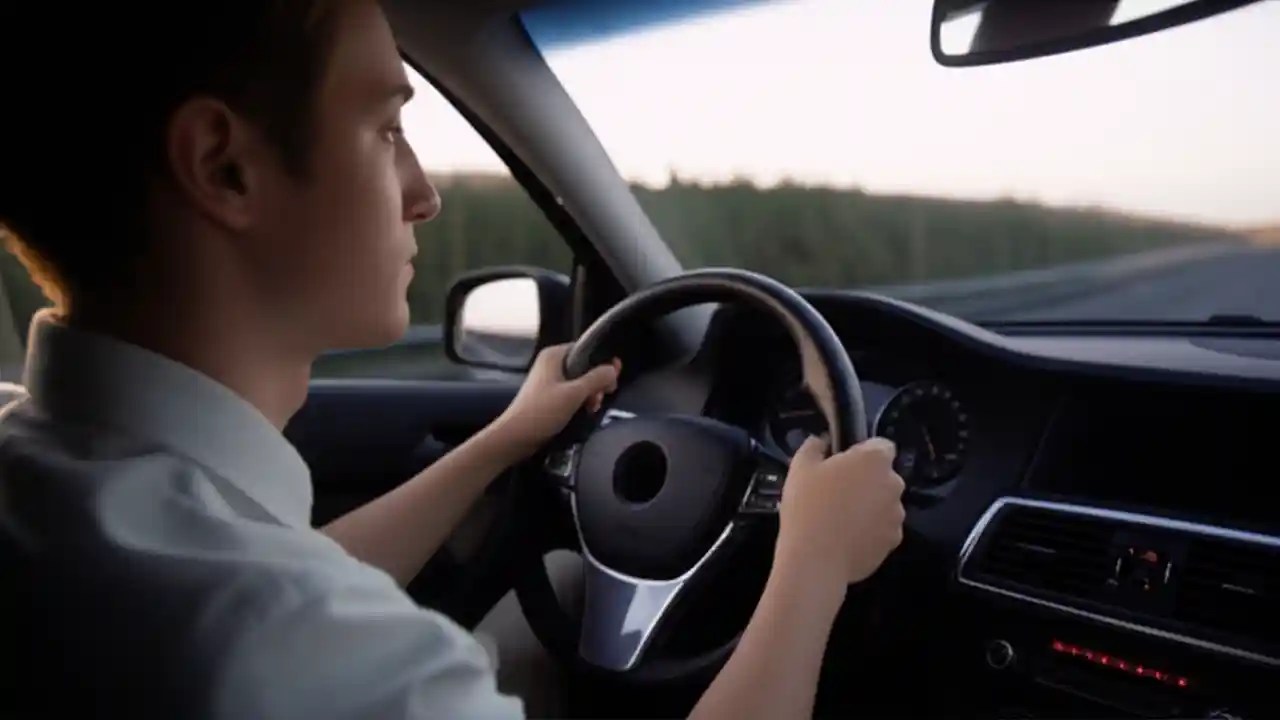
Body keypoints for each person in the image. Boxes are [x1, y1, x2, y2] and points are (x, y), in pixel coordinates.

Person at [0, 2, 905, 718]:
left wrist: (503, 442)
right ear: (225, 168)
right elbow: (285, 603)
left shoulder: (52, 481)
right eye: (386, 129)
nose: (424, 194)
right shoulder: (348, 667)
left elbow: (285, 566)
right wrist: (814, 562)